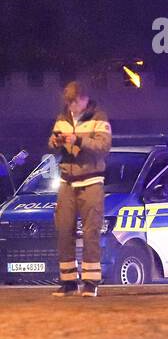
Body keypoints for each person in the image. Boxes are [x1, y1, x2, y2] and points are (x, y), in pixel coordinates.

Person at [48, 81, 111, 297]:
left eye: (75, 101)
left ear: (84, 99)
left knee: (90, 231)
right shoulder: (62, 118)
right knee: (64, 230)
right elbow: (51, 141)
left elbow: (103, 146)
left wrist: (79, 140)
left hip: (91, 181)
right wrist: (56, 141)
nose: (72, 106)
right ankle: (68, 282)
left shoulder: (99, 117)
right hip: (67, 181)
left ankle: (91, 282)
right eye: (69, 102)